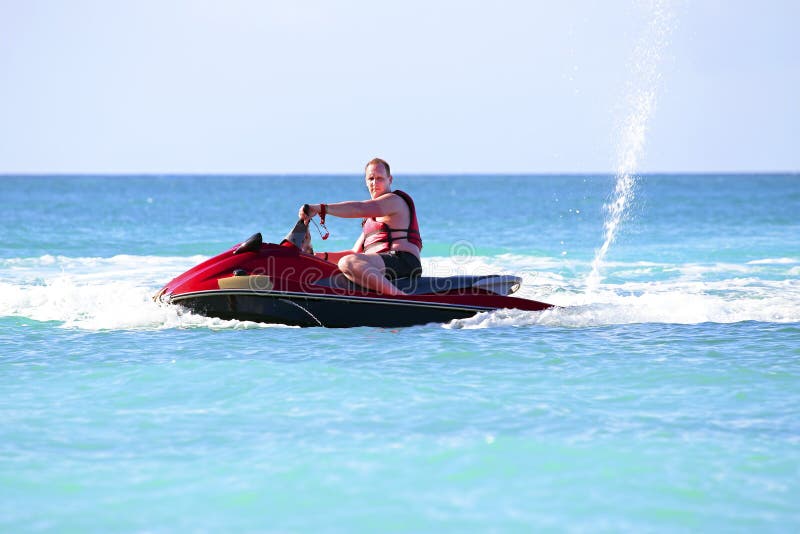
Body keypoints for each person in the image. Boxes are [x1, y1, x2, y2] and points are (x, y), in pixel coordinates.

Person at [299, 158, 422, 296]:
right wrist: (319, 256)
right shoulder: (370, 220)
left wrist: (321, 208)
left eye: (380, 178)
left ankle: (400, 298)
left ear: (390, 179)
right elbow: (354, 253)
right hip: (380, 265)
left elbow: (360, 208)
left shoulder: (395, 200)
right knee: (340, 268)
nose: (374, 183)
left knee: (347, 263)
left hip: (404, 262)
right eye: (371, 178)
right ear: (365, 181)